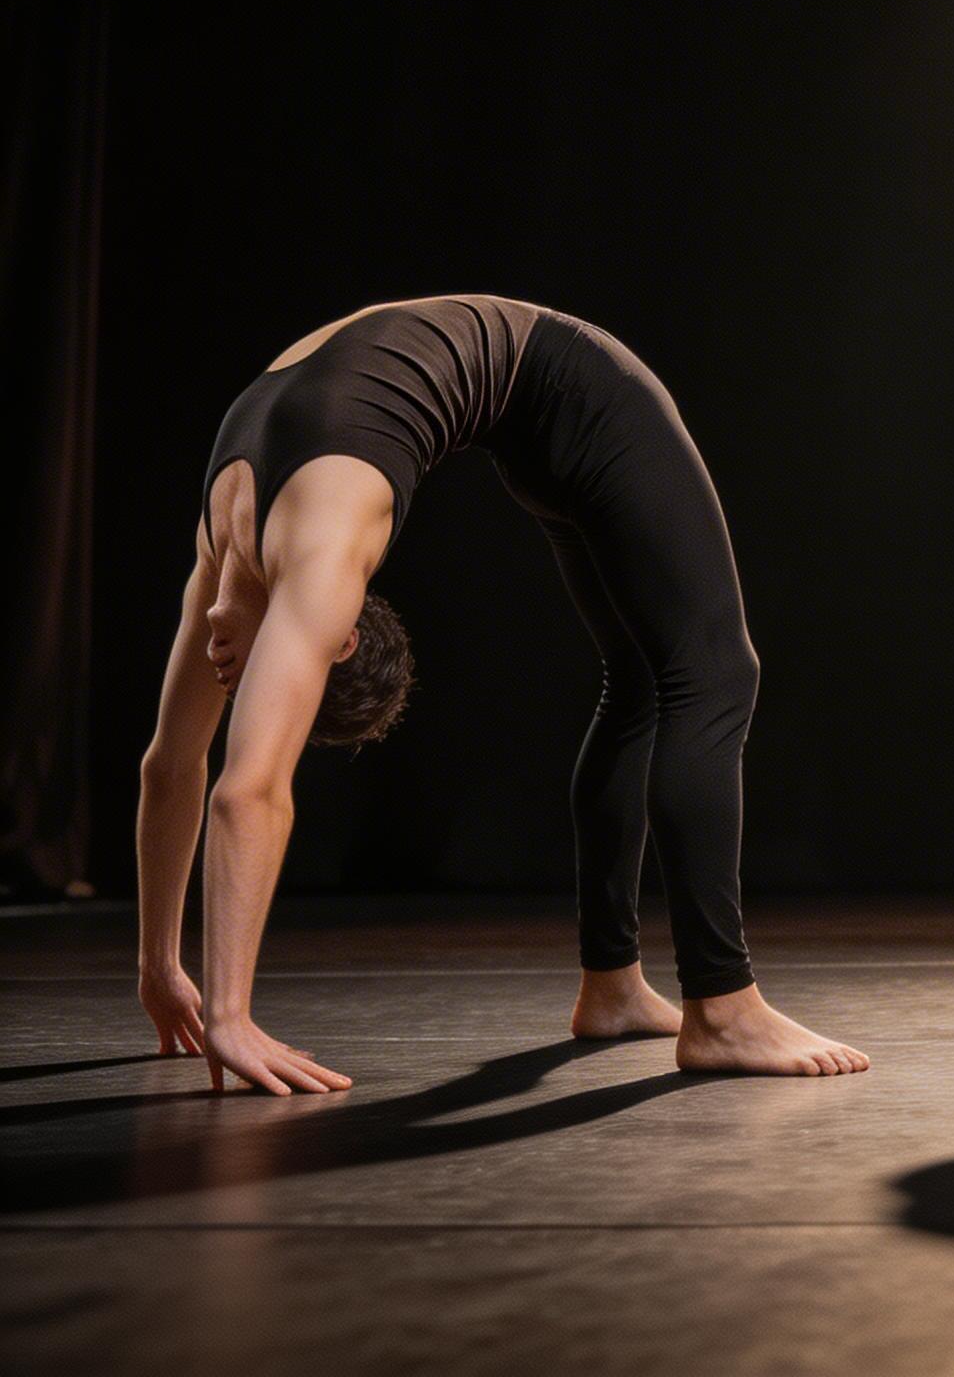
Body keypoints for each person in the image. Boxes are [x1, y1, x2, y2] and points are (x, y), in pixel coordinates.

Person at [136, 296, 868, 1093]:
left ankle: (700, 1003)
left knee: (705, 675)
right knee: (652, 680)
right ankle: (638, 992)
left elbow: (248, 791)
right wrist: (162, 967)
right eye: (253, 682)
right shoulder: (238, 554)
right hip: (527, 412)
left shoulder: (314, 552)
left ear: (333, 637)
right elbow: (172, 768)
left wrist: (228, 1015)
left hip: (580, 380)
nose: (231, 679)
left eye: (254, 681)